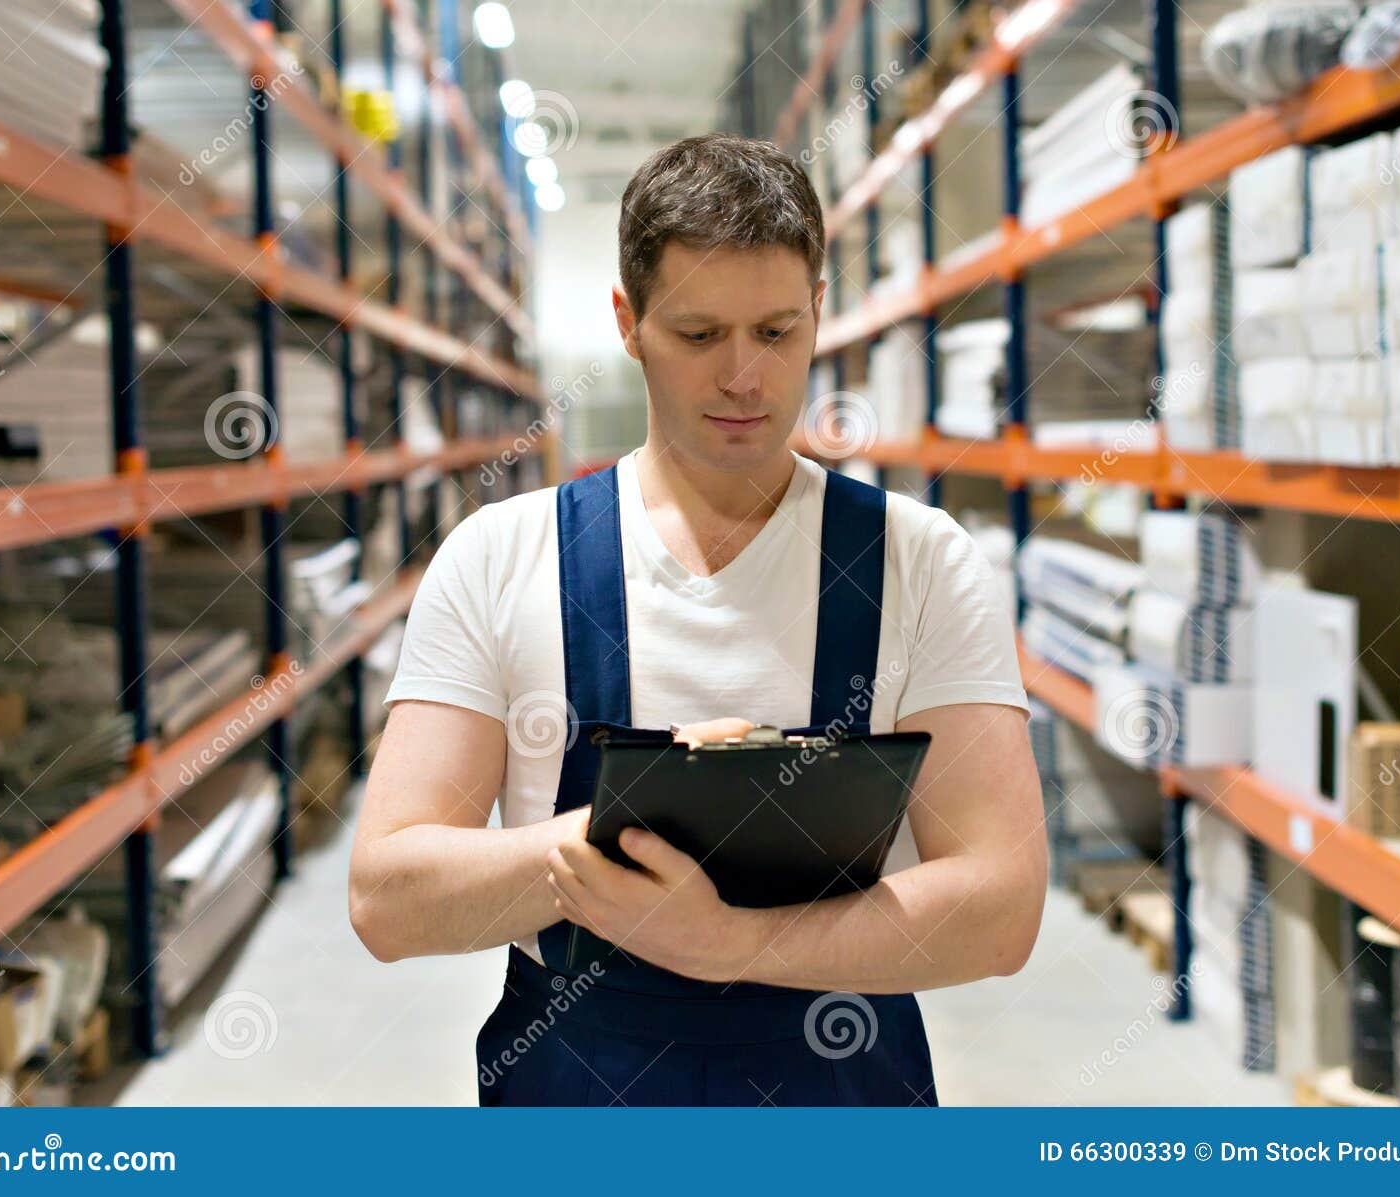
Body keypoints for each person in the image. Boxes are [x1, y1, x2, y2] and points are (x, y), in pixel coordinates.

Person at [348, 132, 1046, 1107]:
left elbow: (1002, 904)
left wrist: (737, 943)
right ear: (628, 323)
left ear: (816, 314)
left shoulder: (917, 563)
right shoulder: (503, 559)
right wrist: (614, 838)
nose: (743, 379)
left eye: (774, 333)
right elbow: (387, 899)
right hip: (581, 1083)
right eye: (698, 334)